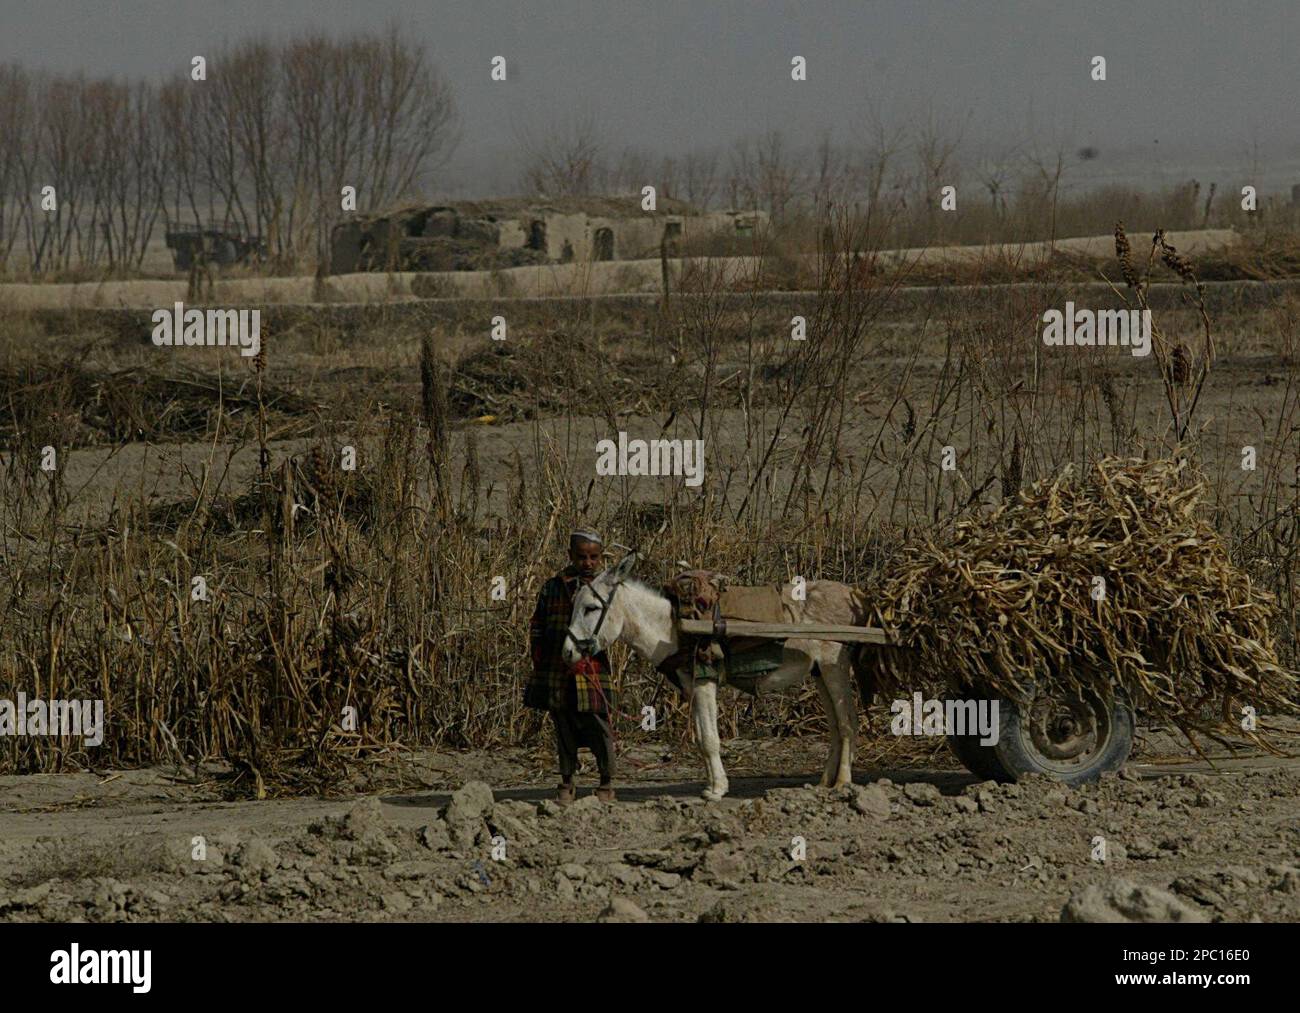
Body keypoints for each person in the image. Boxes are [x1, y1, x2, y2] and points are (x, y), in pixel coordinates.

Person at [525, 528, 616, 804]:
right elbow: (537, 625)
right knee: (563, 723)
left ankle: (607, 781)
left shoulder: (606, 589)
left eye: (593, 557)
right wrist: (539, 658)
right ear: (570, 556)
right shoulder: (553, 587)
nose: (587, 563)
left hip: (592, 669)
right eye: (581, 557)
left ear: (601, 558)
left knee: (598, 724)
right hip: (556, 668)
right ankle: (567, 781)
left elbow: (612, 628)